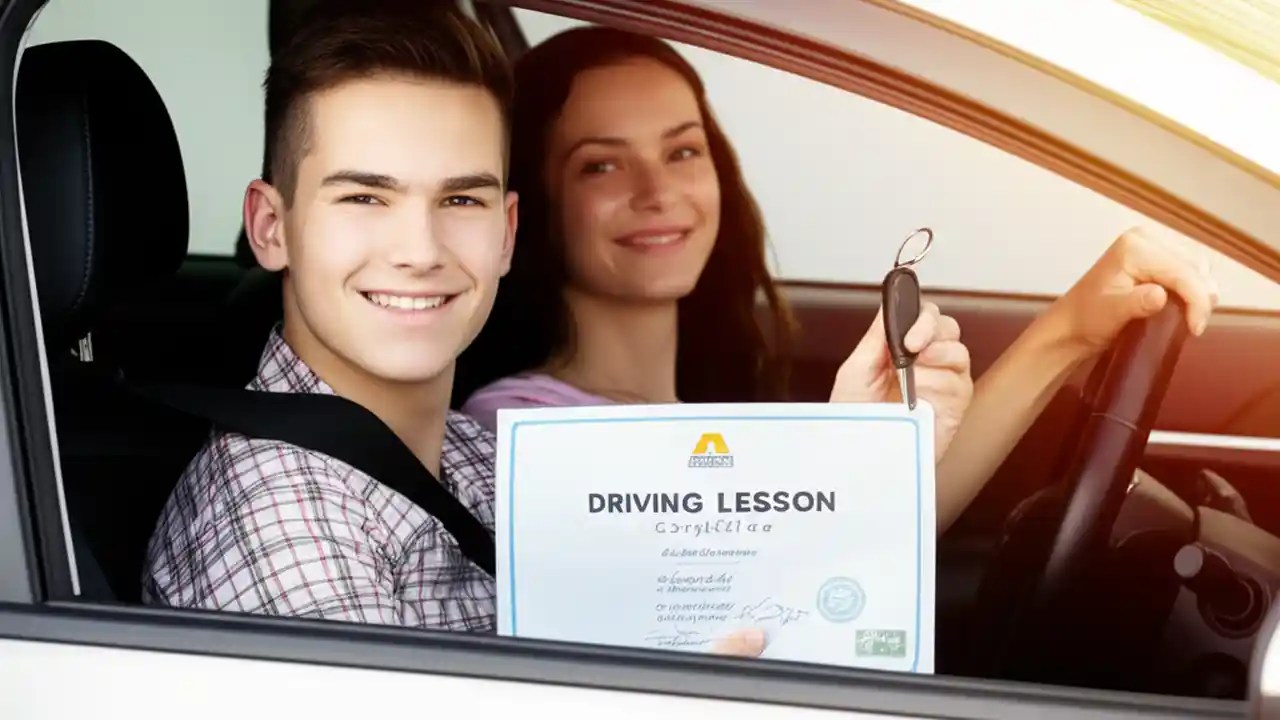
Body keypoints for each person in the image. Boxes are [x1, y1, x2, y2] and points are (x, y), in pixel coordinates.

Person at [456, 27, 1219, 532]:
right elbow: (793, 566)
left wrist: (1071, 331)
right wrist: (839, 450)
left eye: (683, 150)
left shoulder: (688, 408)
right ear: (534, 204)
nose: (658, 190)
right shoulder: (522, 430)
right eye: (602, 163)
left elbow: (881, 534)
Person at [143, 0, 516, 632]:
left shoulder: (489, 457)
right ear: (271, 227)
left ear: (506, 233)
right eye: (365, 197)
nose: (421, 252)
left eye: (460, 198)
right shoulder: (279, 511)